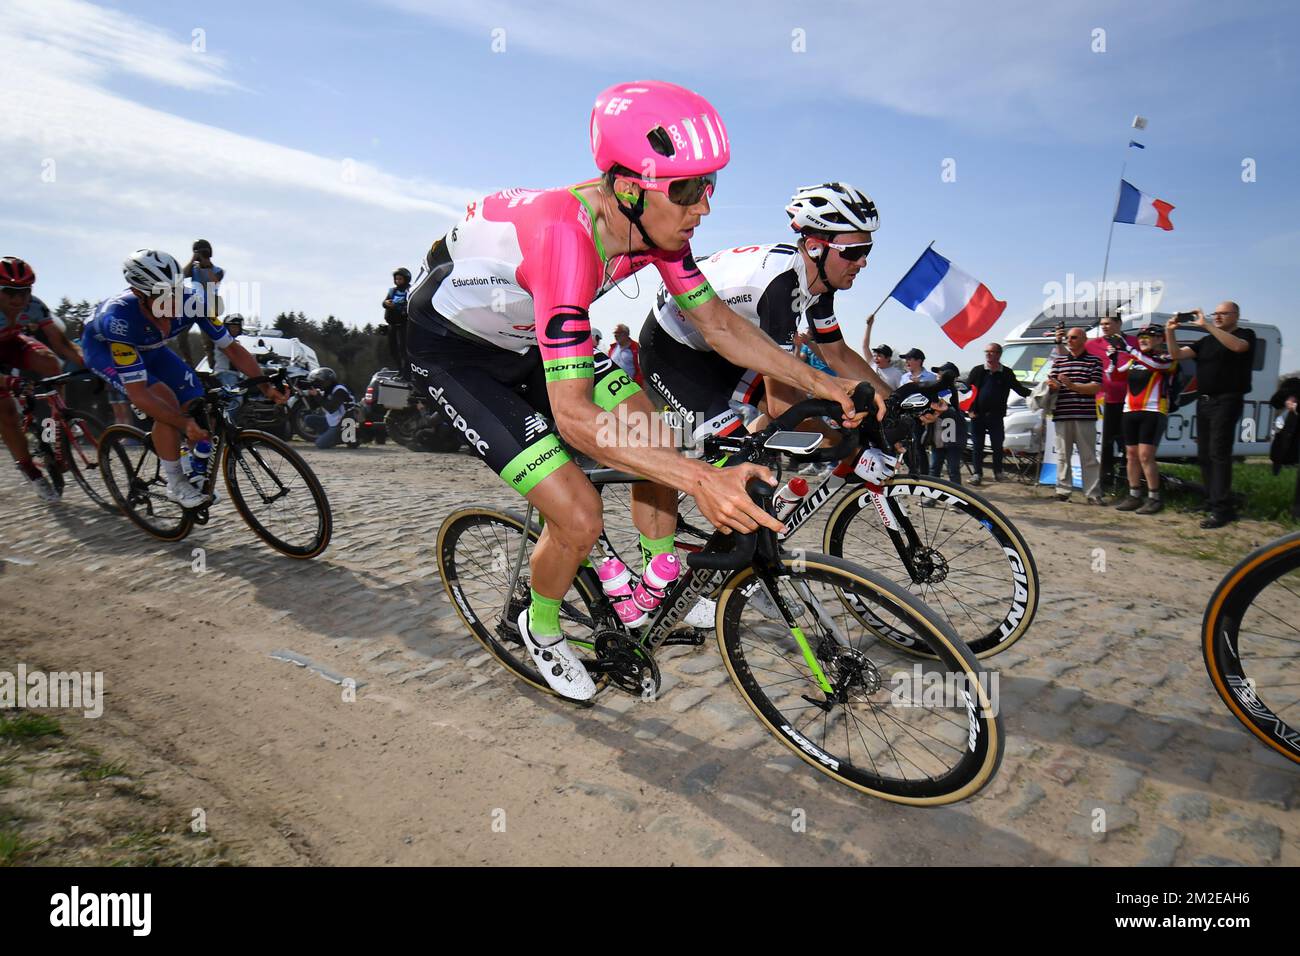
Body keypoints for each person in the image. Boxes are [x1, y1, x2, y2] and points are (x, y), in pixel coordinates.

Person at [403, 82, 862, 700]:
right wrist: (702, 479)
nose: (703, 208)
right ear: (626, 187)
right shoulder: (566, 240)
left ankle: (657, 579)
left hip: (530, 337)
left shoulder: (656, 230)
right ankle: (537, 626)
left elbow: (720, 325)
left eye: (708, 186)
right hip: (460, 357)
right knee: (579, 513)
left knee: (656, 434)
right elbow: (575, 416)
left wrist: (825, 383)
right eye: (687, 190)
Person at [82, 249, 286, 508]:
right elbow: (139, 393)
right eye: (161, 296)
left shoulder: (193, 301)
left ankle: (190, 464)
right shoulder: (118, 320)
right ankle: (176, 483)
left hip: (152, 347)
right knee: (167, 405)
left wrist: (265, 386)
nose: (172, 301)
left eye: (175, 291)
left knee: (198, 401)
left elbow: (231, 348)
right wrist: (180, 421)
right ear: (138, 294)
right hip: (105, 351)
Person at [0, 257, 85, 500]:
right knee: (6, 412)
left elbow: (63, 344)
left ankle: (59, 418)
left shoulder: (34, 306)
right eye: (9, 292)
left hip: (12, 343)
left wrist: (91, 364)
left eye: (24, 291)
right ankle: (29, 469)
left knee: (51, 363)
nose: (18, 299)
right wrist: (10, 382)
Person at [1166, 303, 1255, 529]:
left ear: (1236, 315)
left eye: (1223, 313)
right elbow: (1176, 354)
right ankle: (1210, 499)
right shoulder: (1206, 342)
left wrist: (1206, 325)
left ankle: (1223, 509)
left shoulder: (1245, 334)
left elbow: (1238, 348)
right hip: (1204, 401)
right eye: (1215, 313)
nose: (1217, 316)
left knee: (1219, 453)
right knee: (1204, 454)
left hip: (1227, 399)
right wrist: (1170, 331)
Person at [1111, 325, 1175, 514]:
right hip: (1130, 410)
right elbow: (1115, 375)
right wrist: (1113, 358)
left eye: (1149, 336)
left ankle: (1154, 497)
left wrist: (1129, 349)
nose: (1144, 339)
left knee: (1146, 456)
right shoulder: (1134, 359)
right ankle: (1134, 495)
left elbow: (1157, 366)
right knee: (1131, 455)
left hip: (1153, 410)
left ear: (1160, 340)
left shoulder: (1166, 357)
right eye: (1141, 337)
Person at [1047, 326, 1104, 503]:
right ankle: (1063, 490)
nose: (1069, 340)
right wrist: (1053, 386)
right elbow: (1053, 382)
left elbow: (1096, 387)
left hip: (1084, 415)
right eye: (1068, 338)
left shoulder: (1094, 361)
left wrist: (1072, 386)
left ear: (1083, 339)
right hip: (1062, 414)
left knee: (1088, 457)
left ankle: (1093, 494)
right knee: (1063, 455)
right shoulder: (1059, 361)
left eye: (1073, 338)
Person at [1085, 314, 1138, 495]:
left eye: (1108, 323)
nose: (1104, 327)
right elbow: (1074, 355)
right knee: (1105, 443)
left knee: (1128, 443)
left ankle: (1127, 480)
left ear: (1119, 323)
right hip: (1103, 402)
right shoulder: (1092, 344)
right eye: (1102, 324)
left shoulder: (1133, 342)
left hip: (1129, 401)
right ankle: (1105, 479)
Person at [966, 341, 1031, 484]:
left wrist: (1038, 394)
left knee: (997, 445)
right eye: (986, 352)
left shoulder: (1006, 373)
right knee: (978, 446)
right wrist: (969, 410)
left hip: (996, 416)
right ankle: (977, 474)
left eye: (992, 352)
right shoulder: (977, 371)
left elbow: (1020, 389)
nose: (988, 354)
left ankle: (998, 472)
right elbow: (967, 391)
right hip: (978, 415)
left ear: (999, 354)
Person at [181, 239, 224, 367]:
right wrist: (192, 260)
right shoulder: (192, 269)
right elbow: (181, 276)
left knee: (209, 340)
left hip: (209, 307)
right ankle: (188, 365)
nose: (202, 255)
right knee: (181, 335)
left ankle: (212, 367)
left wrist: (206, 265)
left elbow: (215, 281)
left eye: (204, 253)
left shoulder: (218, 270)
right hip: (192, 305)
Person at [927, 361, 967, 484]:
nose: (938, 376)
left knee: (953, 470)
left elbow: (959, 413)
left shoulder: (961, 391)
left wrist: (944, 409)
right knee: (934, 468)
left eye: (941, 374)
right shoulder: (934, 390)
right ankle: (931, 497)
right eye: (938, 374)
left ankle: (959, 500)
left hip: (954, 438)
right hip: (938, 436)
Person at [301, 367, 355, 449]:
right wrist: (311, 395)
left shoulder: (340, 390)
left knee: (320, 444)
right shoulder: (328, 390)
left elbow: (331, 408)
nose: (318, 385)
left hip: (344, 424)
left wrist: (317, 395)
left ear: (327, 381)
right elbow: (313, 407)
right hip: (333, 422)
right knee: (308, 419)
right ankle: (331, 436)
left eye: (319, 382)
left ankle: (345, 438)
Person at [383, 268, 411, 372]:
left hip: (404, 324)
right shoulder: (392, 291)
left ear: (406, 279)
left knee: (404, 350)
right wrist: (386, 303)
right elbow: (384, 303)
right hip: (392, 324)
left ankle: (407, 373)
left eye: (400, 279)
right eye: (396, 279)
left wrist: (397, 307)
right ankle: (400, 370)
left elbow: (410, 306)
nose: (398, 281)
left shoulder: (410, 291)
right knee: (393, 350)